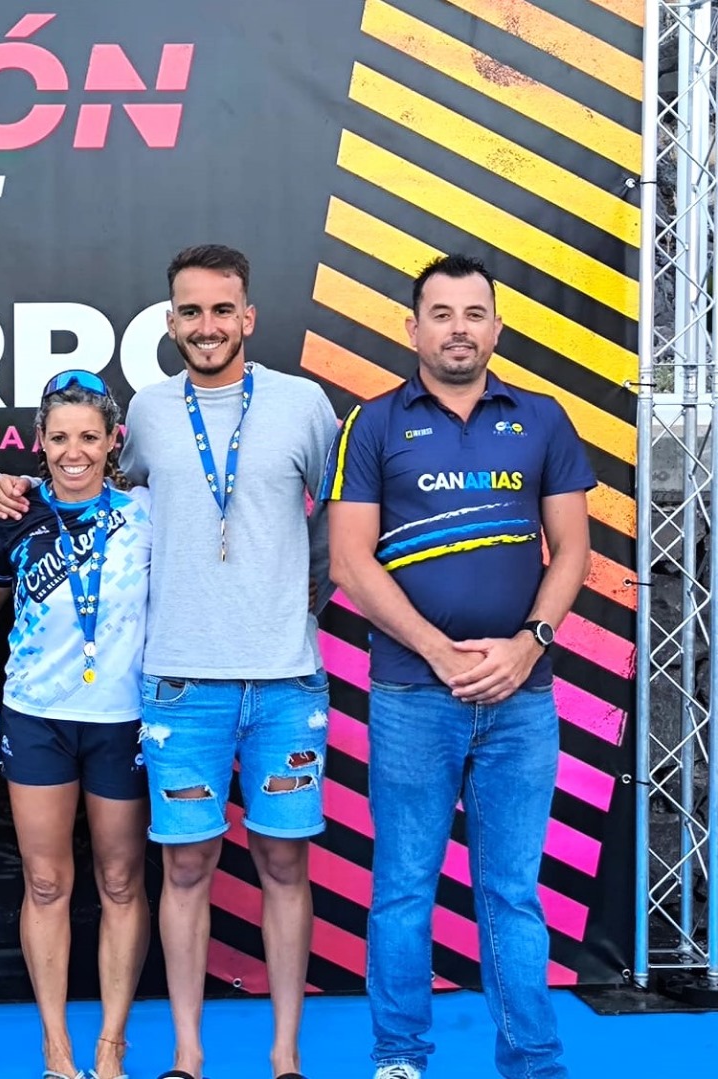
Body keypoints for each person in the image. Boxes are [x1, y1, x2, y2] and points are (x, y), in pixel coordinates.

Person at [0, 244, 338, 1079]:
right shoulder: (145, 410)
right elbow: (96, 498)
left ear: (248, 317)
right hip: (179, 684)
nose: (207, 326)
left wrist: (293, 605)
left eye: (223, 310)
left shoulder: (303, 405)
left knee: (285, 862)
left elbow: (327, 524)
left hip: (287, 680)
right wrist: (11, 489)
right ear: (169, 321)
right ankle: (186, 1056)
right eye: (191, 311)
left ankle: (285, 1057)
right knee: (184, 866)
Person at [325, 253, 594, 1079]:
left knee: (511, 893)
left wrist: (527, 645)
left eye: (473, 313)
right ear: (412, 327)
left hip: (523, 698)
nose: (458, 329)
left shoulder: (543, 419)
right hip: (412, 695)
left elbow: (574, 548)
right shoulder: (372, 425)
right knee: (404, 888)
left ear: (496, 327)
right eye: (440, 313)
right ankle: (400, 1058)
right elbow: (348, 561)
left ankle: (534, 1060)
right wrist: (439, 652)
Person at [0, 370, 153, 1079]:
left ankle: (111, 1049)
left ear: (113, 440)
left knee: (120, 882)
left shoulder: (145, 513)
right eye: (59, 437)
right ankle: (57, 1052)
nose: (73, 451)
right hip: (38, 715)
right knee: (46, 883)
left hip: (123, 719)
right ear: (41, 441)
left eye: (89, 436)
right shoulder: (11, 510)